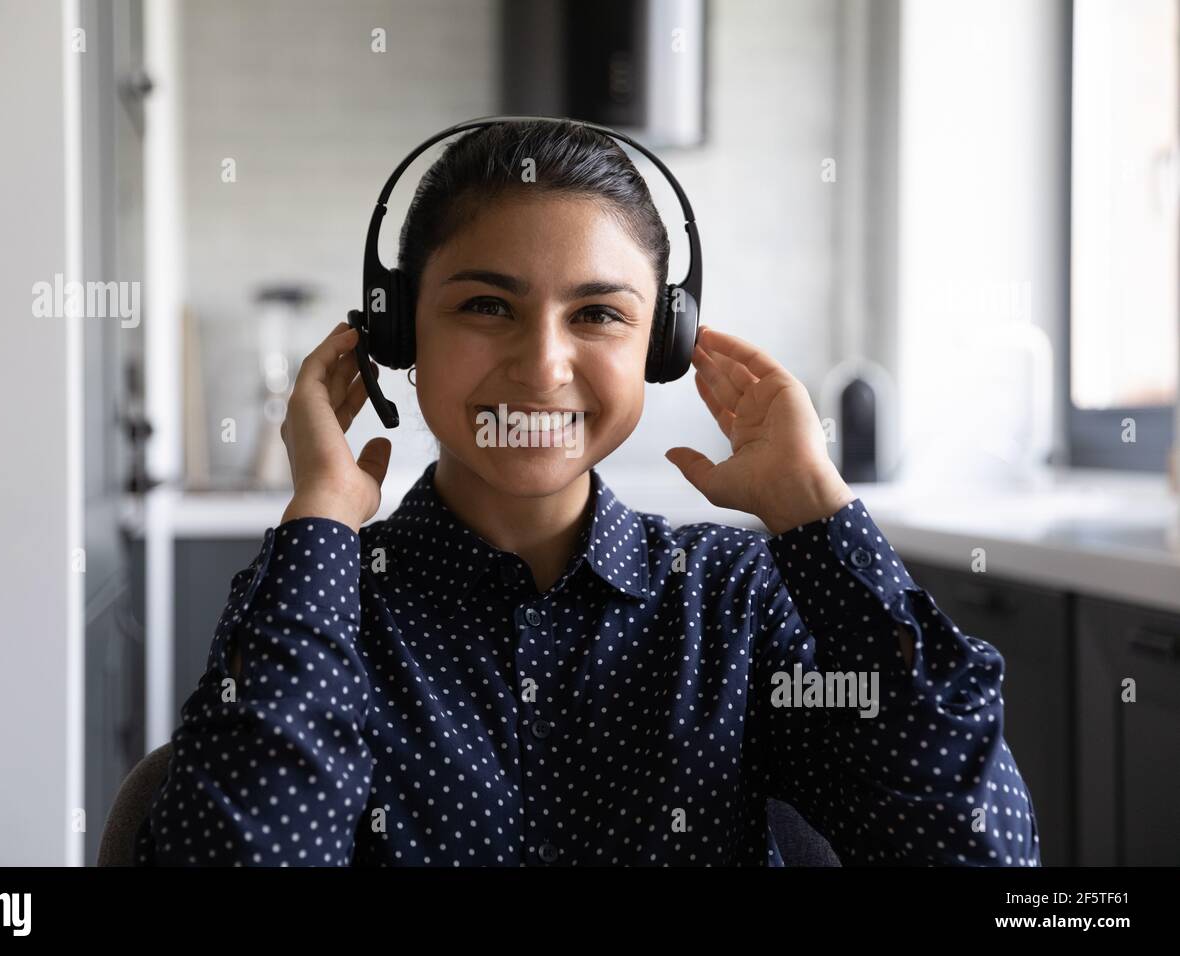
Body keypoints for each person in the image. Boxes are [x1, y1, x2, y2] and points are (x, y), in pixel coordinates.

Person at [134, 118, 1040, 866]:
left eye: (598, 314)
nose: (542, 365)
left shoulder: (733, 599)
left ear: (661, 344)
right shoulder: (321, 595)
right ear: (402, 329)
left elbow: (976, 854)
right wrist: (321, 520)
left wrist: (817, 511)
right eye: (487, 306)